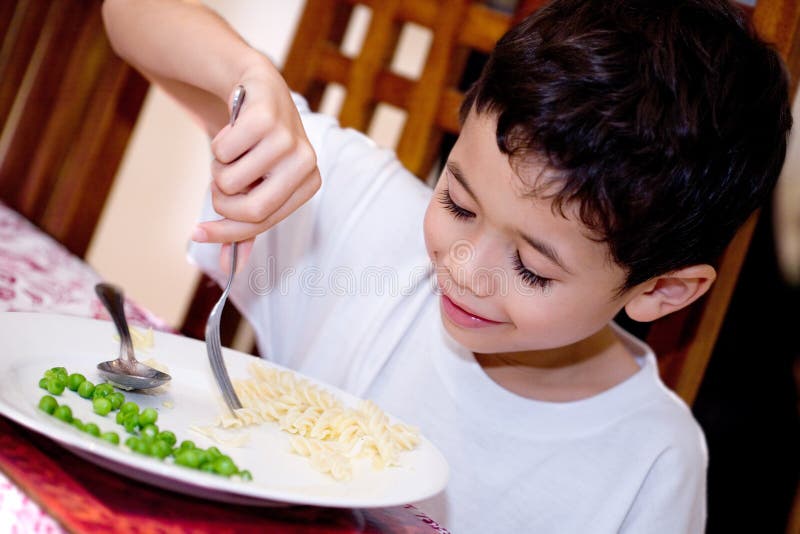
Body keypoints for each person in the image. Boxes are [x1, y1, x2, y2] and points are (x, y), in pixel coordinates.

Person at [102, 0, 792, 532]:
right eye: (458, 203)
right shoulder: (370, 224)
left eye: (531, 268)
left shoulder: (649, 465)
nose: (465, 269)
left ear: (663, 290)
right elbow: (128, 15)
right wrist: (252, 81)